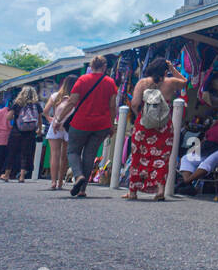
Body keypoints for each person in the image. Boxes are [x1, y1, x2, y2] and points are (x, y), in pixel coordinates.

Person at [54, 55, 118, 198]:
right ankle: (82, 189)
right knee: (90, 154)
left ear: (91, 66)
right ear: (104, 66)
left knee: (73, 151)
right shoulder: (110, 82)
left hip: (80, 123)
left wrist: (59, 118)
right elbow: (112, 106)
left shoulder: (82, 80)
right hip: (101, 124)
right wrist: (112, 124)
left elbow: (72, 101)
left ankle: (78, 176)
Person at [124, 58, 186, 201]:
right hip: (163, 126)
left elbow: (134, 104)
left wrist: (140, 116)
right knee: (162, 158)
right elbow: (185, 82)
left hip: (143, 125)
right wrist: (172, 69)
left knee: (138, 156)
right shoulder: (170, 83)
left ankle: (133, 192)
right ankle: (160, 190)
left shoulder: (143, 83)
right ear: (165, 70)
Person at [42, 75, 76, 190]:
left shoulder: (56, 96)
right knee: (64, 156)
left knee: (54, 154)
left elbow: (45, 111)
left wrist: (50, 119)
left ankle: (53, 181)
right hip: (68, 126)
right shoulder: (74, 98)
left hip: (55, 125)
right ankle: (61, 181)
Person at [1, 87, 42, 183]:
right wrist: (39, 130)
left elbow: (8, 117)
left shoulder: (17, 104)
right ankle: (22, 176)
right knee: (25, 153)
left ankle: (6, 175)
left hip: (16, 131)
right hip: (30, 132)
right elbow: (39, 119)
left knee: (11, 153)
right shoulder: (36, 105)